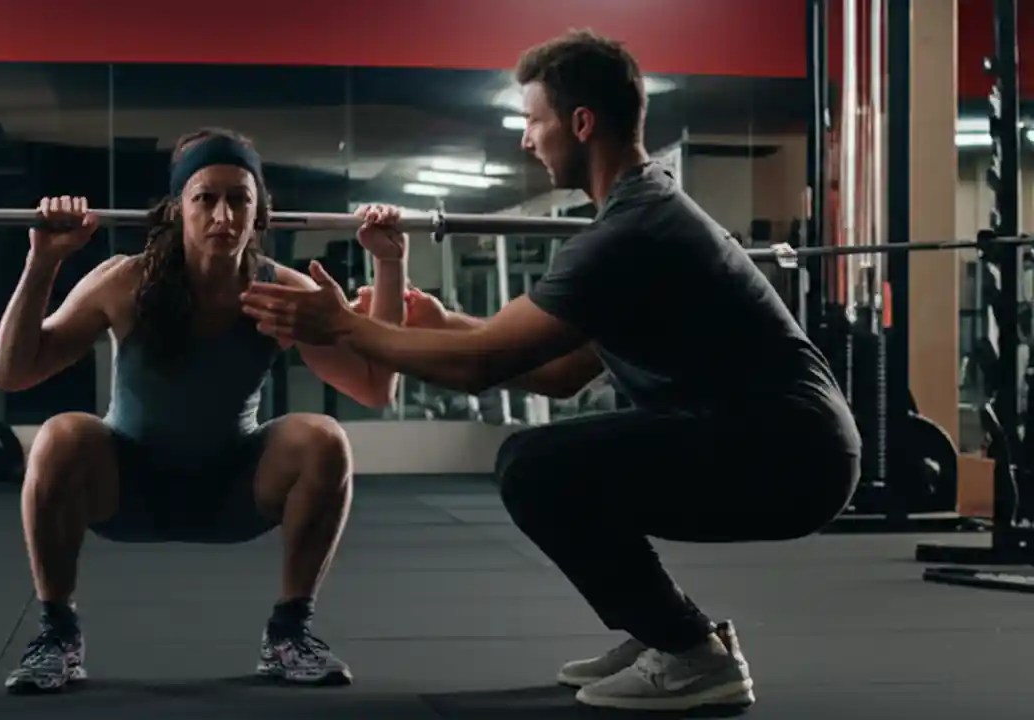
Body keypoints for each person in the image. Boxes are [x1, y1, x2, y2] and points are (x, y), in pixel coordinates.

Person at [239, 29, 862, 713]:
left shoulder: (630, 233)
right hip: (788, 445)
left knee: (535, 467)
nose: (526, 139)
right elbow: (562, 370)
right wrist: (442, 323)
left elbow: (481, 368)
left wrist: (344, 327)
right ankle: (664, 631)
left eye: (533, 121)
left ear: (581, 123)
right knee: (558, 458)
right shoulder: (642, 213)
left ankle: (687, 651)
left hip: (787, 455)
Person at [0, 127, 411, 693]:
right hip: (128, 489)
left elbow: (374, 385)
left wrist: (388, 265)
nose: (223, 216)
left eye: (239, 199)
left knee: (324, 439)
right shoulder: (124, 281)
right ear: (176, 210)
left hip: (232, 491)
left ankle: (289, 635)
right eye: (205, 198)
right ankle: (57, 637)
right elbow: (12, 372)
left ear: (259, 211)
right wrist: (42, 261)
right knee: (60, 436)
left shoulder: (278, 292)